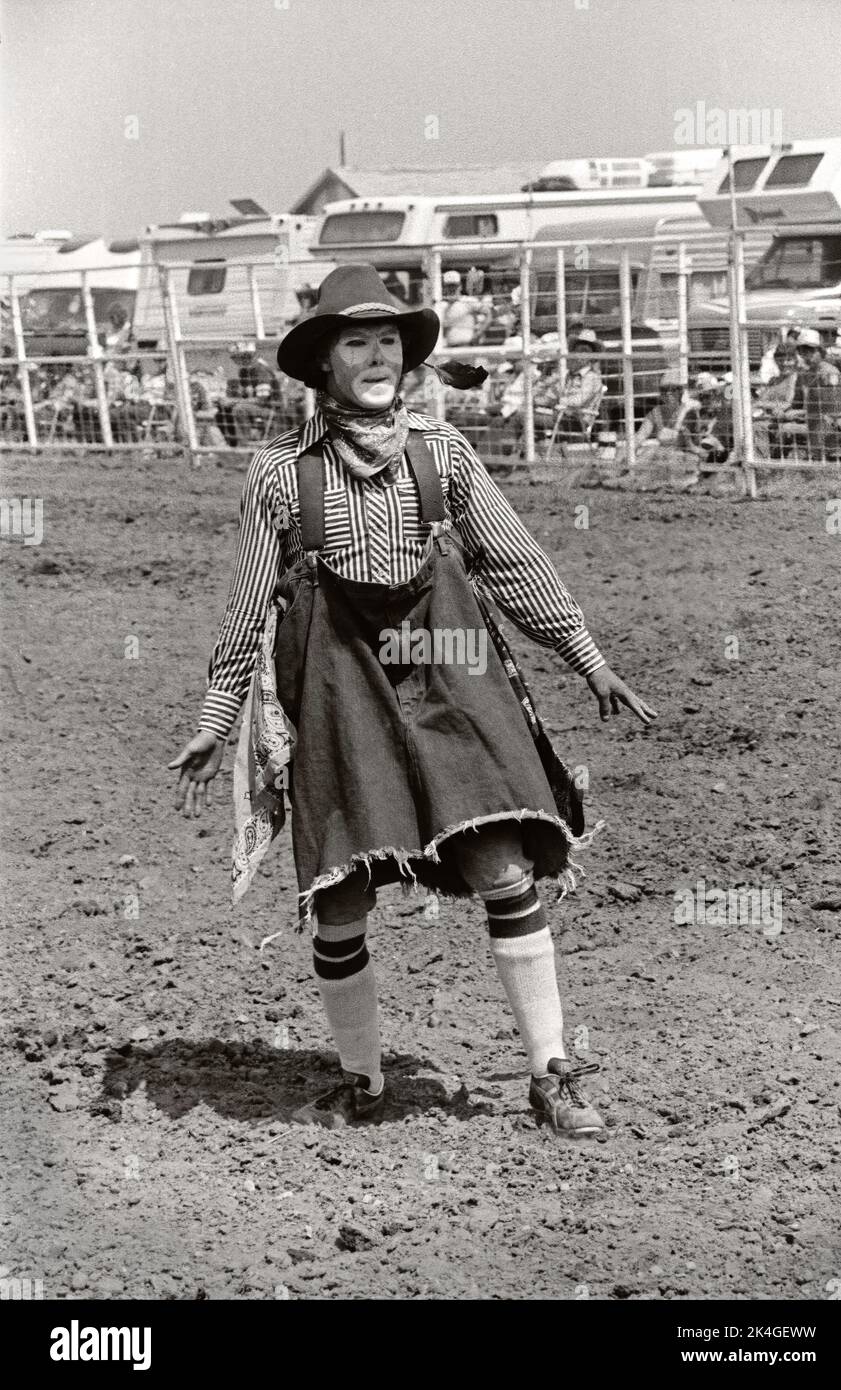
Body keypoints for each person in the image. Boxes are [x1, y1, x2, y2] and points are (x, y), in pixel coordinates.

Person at [169, 262, 657, 1139]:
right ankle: (363, 1080)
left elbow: (515, 563)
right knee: (342, 897)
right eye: (356, 341)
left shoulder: (444, 453)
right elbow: (247, 604)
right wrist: (216, 719)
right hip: (336, 682)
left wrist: (587, 657)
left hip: (449, 669)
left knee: (502, 864)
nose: (377, 354)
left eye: (389, 339)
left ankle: (551, 1075)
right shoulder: (280, 475)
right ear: (323, 363)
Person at [215, 342, 280, 446]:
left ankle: (246, 445)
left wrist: (232, 401)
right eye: (234, 357)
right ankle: (233, 446)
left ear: (246, 355)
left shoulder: (260, 369)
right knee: (221, 412)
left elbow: (262, 400)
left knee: (239, 409)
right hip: (255, 407)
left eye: (236, 357)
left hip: (270, 409)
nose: (235, 360)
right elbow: (246, 396)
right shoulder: (244, 371)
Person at [794, 326, 841, 461]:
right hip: (807, 419)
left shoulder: (828, 372)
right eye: (802, 350)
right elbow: (796, 402)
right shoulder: (804, 374)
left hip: (825, 421)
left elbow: (832, 408)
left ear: (820, 351)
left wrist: (800, 413)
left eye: (810, 350)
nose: (806, 354)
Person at [440, 270, 491, 347]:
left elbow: (488, 314)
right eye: (449, 286)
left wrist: (478, 334)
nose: (452, 289)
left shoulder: (469, 301)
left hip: (467, 346)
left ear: (460, 286)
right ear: (444, 288)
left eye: (454, 285)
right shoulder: (440, 305)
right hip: (447, 348)